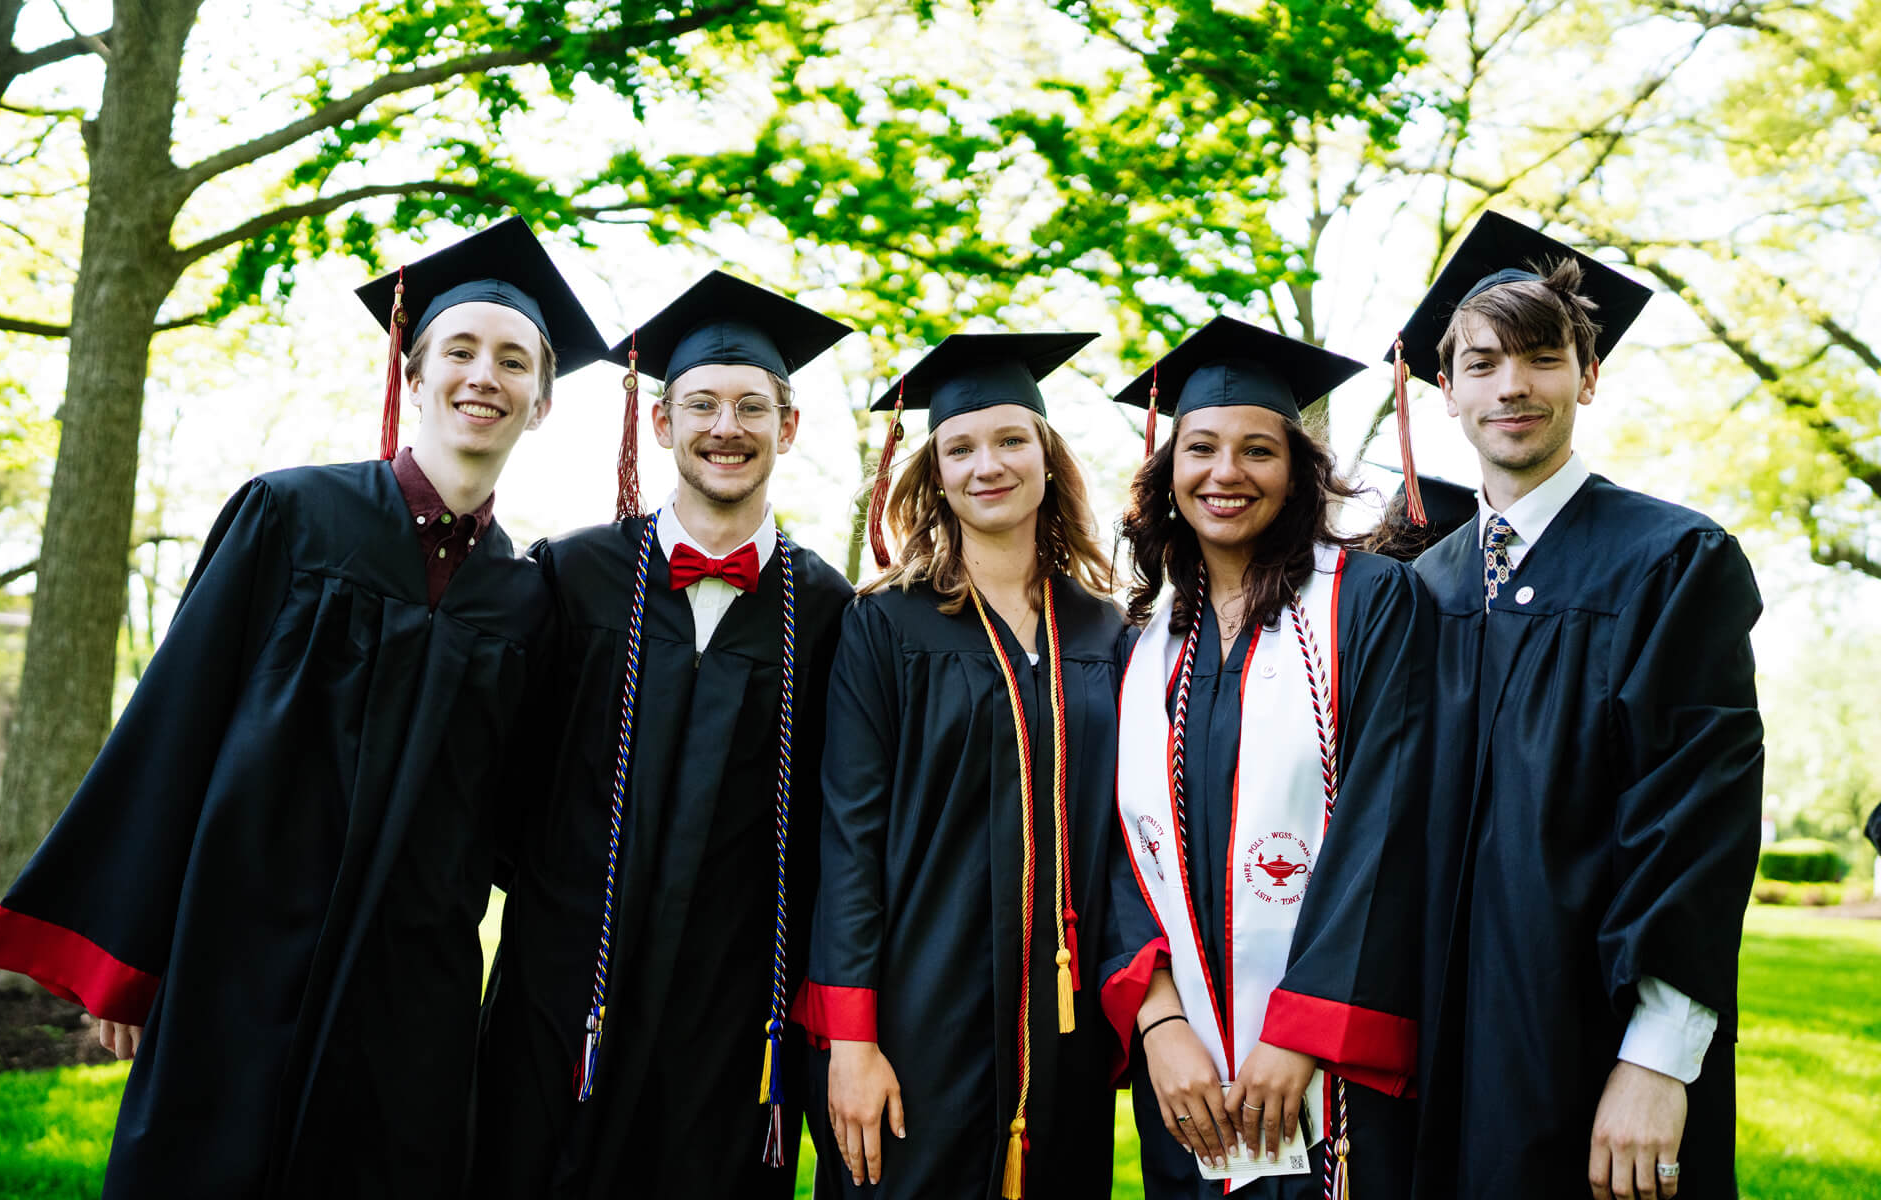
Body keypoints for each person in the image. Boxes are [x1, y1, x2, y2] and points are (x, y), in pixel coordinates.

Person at [0, 216, 605, 1198]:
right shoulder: (292, 514)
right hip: (240, 947)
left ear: (541, 402)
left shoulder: (525, 600)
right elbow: (176, 722)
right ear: (415, 372)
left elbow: (524, 816)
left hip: (411, 985)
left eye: (514, 360)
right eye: (462, 351)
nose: (486, 374)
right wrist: (128, 947)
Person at [1394, 211, 1765, 1200]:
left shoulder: (1672, 562)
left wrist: (1659, 1061)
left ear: (1586, 377)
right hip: (1435, 1046)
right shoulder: (1420, 592)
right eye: (1481, 364)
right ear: (1447, 391)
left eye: (1542, 357)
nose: (1512, 385)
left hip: (1593, 1047)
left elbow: (1698, 831)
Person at [471, 271, 857, 1198]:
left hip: (733, 1008)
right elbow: (496, 771)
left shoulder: (834, 611)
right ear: (662, 424)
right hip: (564, 990)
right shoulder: (573, 577)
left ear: (788, 428)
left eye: (751, 407)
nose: (727, 427)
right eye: (702, 405)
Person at [1102, 316, 1433, 1199]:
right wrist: (1159, 1024)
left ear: (1297, 474)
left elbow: (1388, 826)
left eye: (1259, 451)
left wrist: (1301, 1030)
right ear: (1167, 473)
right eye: (1200, 448)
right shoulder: (1141, 644)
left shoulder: (1368, 602)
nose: (1226, 473)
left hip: (1330, 1068)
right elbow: (1113, 855)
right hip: (1191, 1082)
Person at [797, 333, 1122, 1200]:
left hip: (1064, 1022)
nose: (989, 465)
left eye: (1012, 440)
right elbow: (849, 838)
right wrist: (852, 1044)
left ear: (1050, 457)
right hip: (917, 1015)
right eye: (961, 448)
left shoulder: (1107, 633)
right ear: (934, 473)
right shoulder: (887, 627)